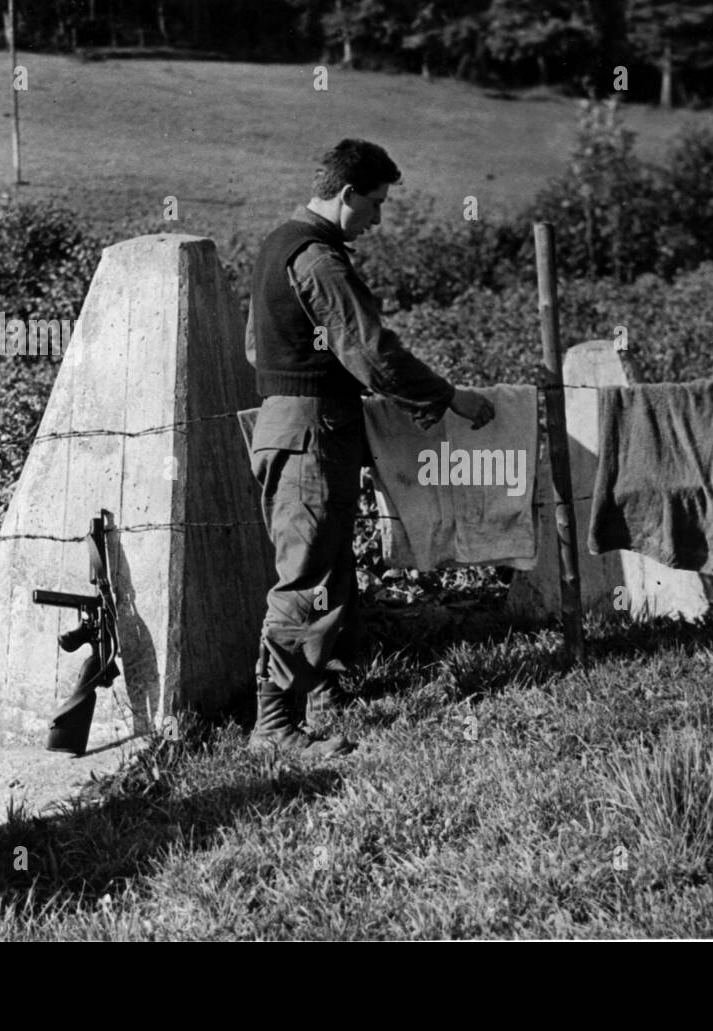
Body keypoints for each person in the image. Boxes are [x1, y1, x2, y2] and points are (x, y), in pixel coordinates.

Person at [244, 138, 495, 757]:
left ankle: (321, 691)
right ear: (347, 194)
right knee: (306, 575)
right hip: (311, 432)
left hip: (290, 423)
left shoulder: (278, 245)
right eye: (375, 205)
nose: (378, 219)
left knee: (328, 566)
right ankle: (273, 727)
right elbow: (371, 350)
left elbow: (256, 348)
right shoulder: (319, 260)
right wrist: (448, 397)